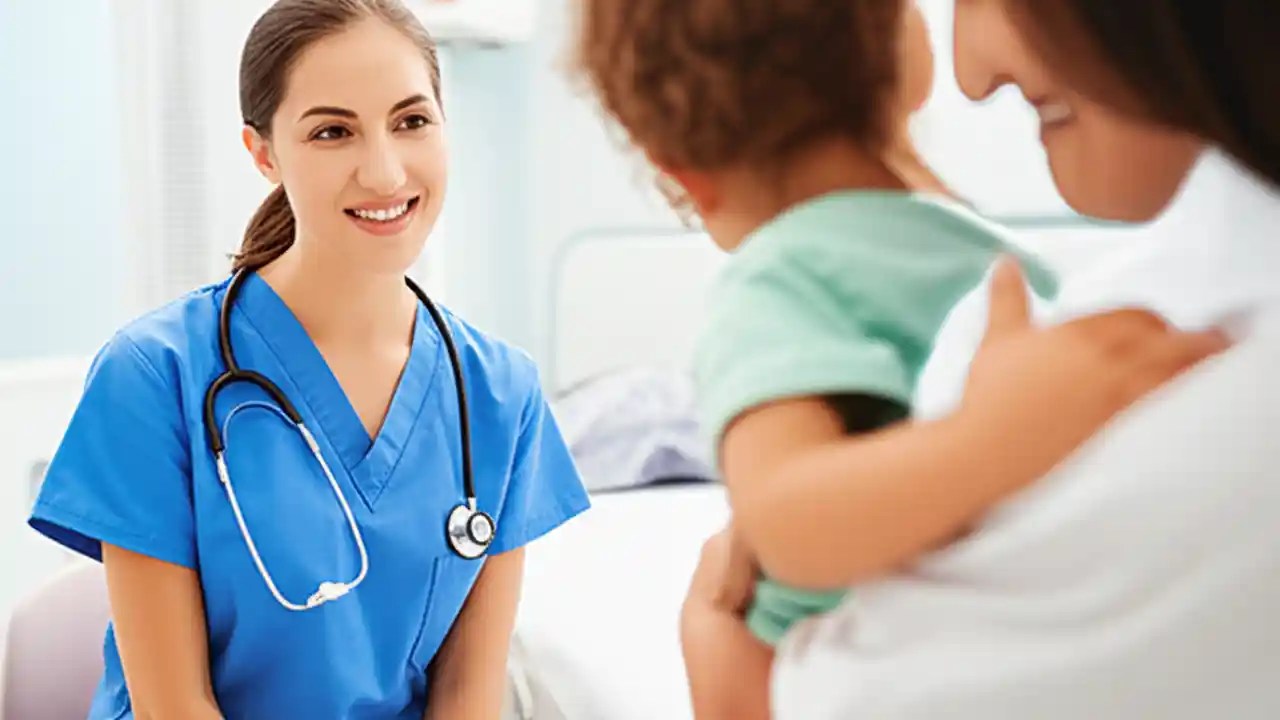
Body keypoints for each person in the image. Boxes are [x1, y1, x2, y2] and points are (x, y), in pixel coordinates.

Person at [574, 1, 1228, 717]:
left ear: (689, 177)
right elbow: (787, 522)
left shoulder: (779, 278)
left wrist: (993, 436)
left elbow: (785, 522)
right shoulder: (994, 262)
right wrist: (995, 437)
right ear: (910, 65)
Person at [27, 1, 590, 718]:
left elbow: (464, 698)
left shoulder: (499, 393)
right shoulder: (154, 374)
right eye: (333, 132)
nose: (385, 171)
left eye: (412, 121)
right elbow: (176, 707)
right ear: (264, 154)